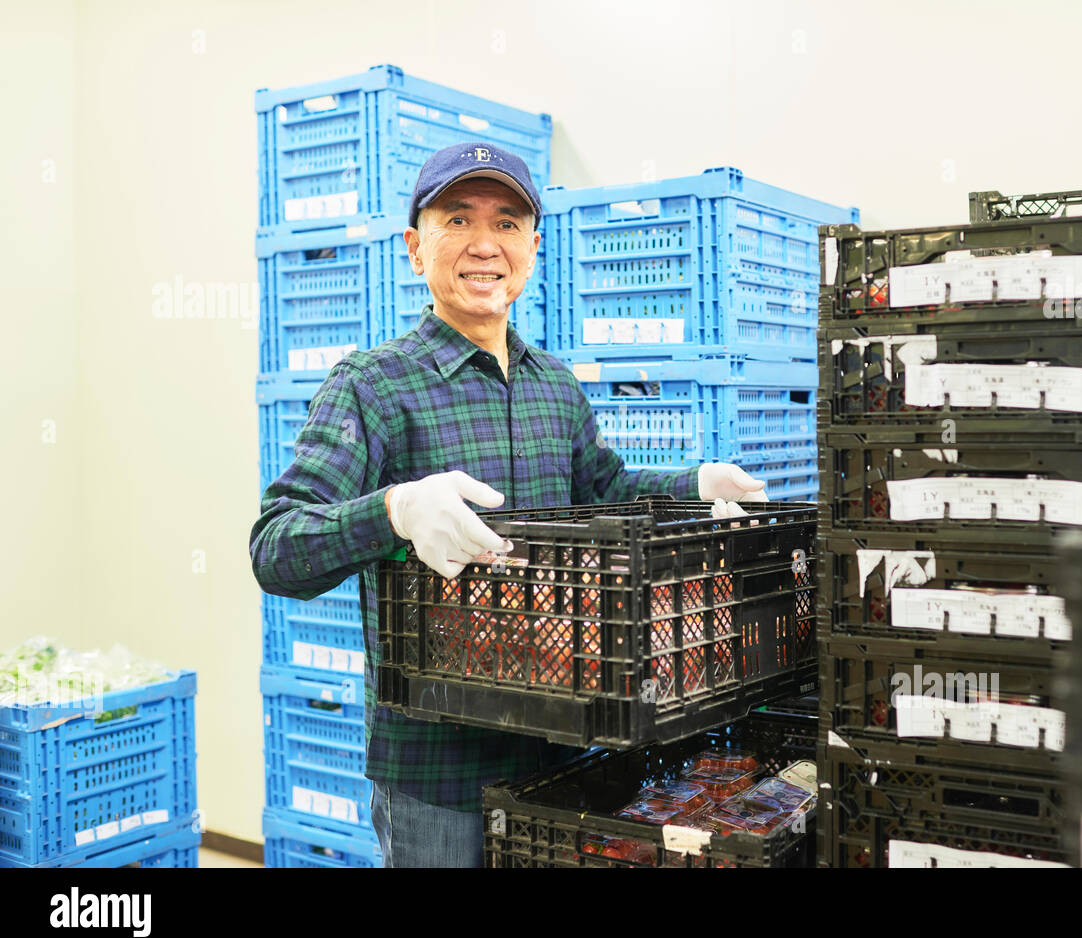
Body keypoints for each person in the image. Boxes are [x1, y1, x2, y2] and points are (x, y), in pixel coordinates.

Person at [249, 141, 768, 867]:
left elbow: (606, 492)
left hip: (566, 751)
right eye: (457, 219)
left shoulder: (554, 384)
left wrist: (694, 485)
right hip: (439, 775)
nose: (484, 244)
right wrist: (393, 510)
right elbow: (276, 548)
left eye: (508, 223)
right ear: (414, 248)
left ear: (533, 246)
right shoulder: (373, 386)